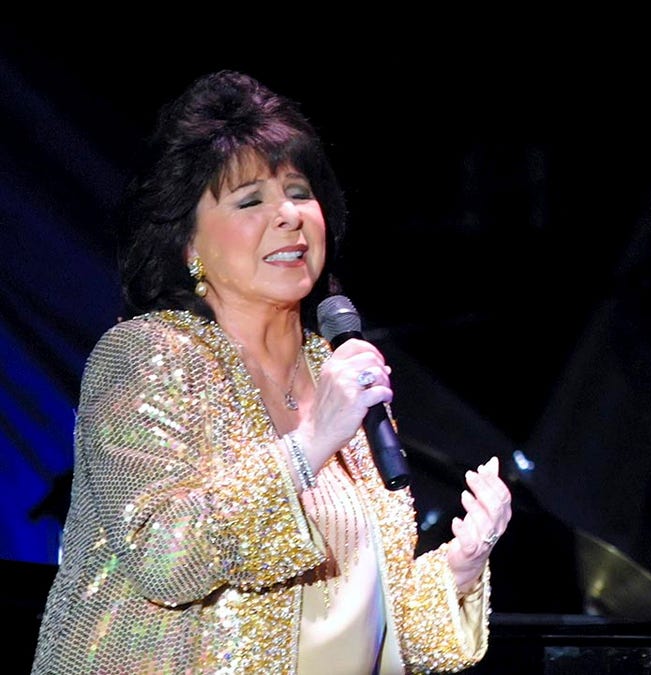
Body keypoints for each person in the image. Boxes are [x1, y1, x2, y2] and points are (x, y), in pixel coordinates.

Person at [31, 69, 512, 674]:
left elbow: (366, 621)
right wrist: (310, 444)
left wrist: (462, 563)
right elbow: (164, 556)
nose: (288, 215)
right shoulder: (145, 357)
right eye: (250, 200)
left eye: (298, 191)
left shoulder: (335, 368)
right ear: (188, 244)